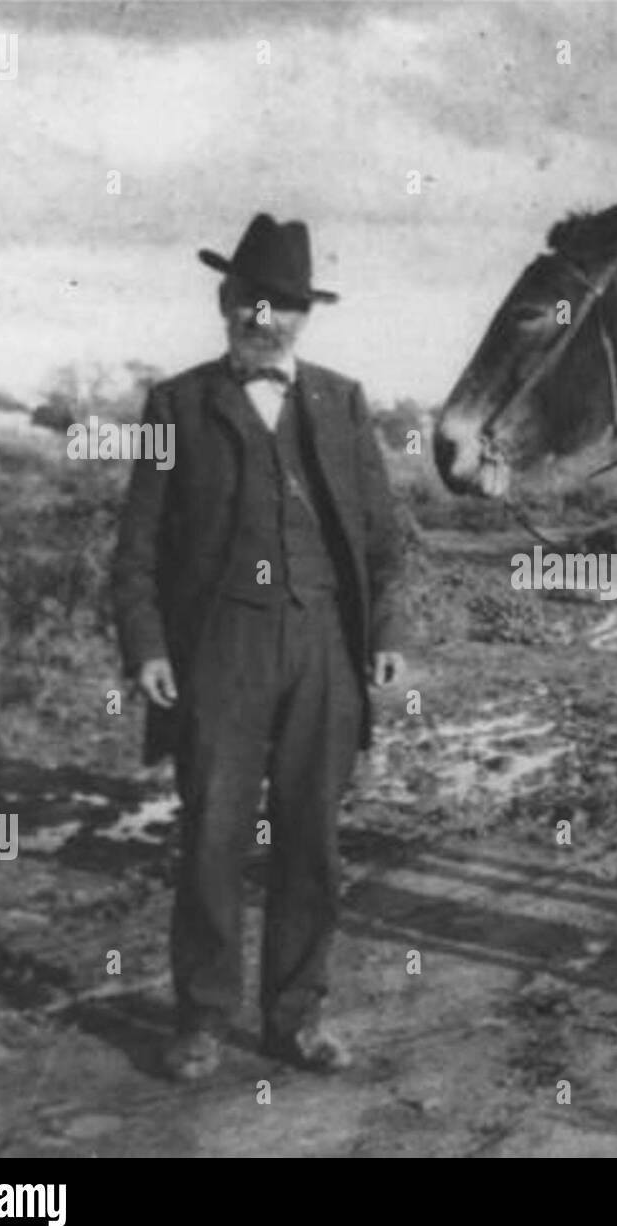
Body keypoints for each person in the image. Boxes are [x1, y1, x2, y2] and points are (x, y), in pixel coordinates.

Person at [111, 214, 408, 1080]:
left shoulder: (340, 400)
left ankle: (296, 1017)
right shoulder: (176, 404)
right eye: (251, 300)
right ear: (225, 302)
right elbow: (136, 549)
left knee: (312, 837)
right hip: (220, 649)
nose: (264, 319)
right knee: (212, 834)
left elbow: (386, 540)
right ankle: (202, 1017)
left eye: (283, 306)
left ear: (304, 316)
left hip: (323, 647)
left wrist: (385, 633)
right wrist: (149, 649)